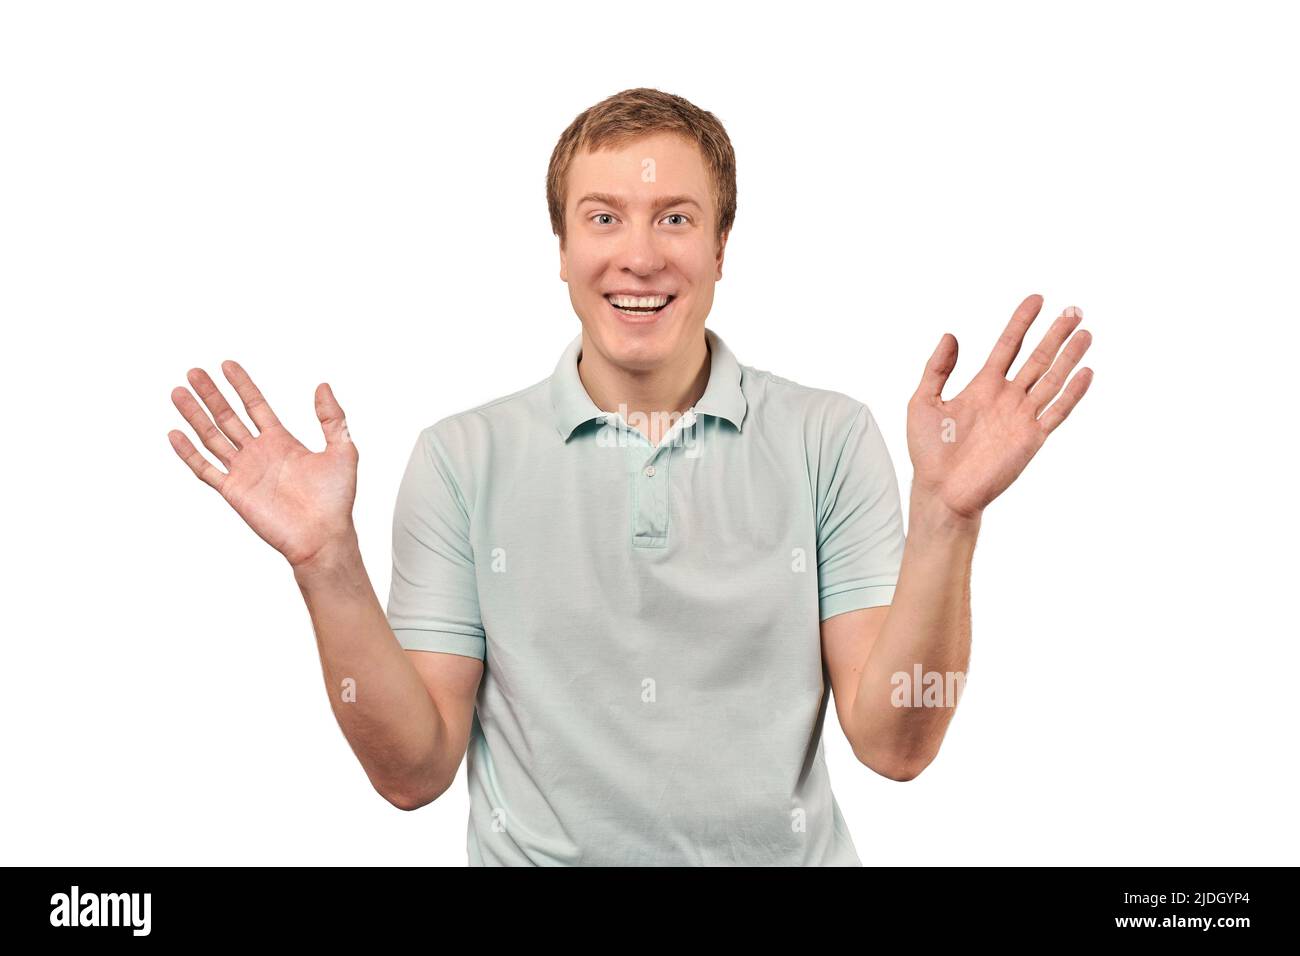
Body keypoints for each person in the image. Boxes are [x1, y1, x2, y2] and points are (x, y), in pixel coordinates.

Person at [167, 87, 1093, 866]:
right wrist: (326, 561)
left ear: (722, 249)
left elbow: (894, 744)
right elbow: (414, 773)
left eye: (675, 218)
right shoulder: (461, 458)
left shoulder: (828, 438)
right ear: (562, 251)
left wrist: (946, 516)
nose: (639, 255)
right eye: (603, 217)